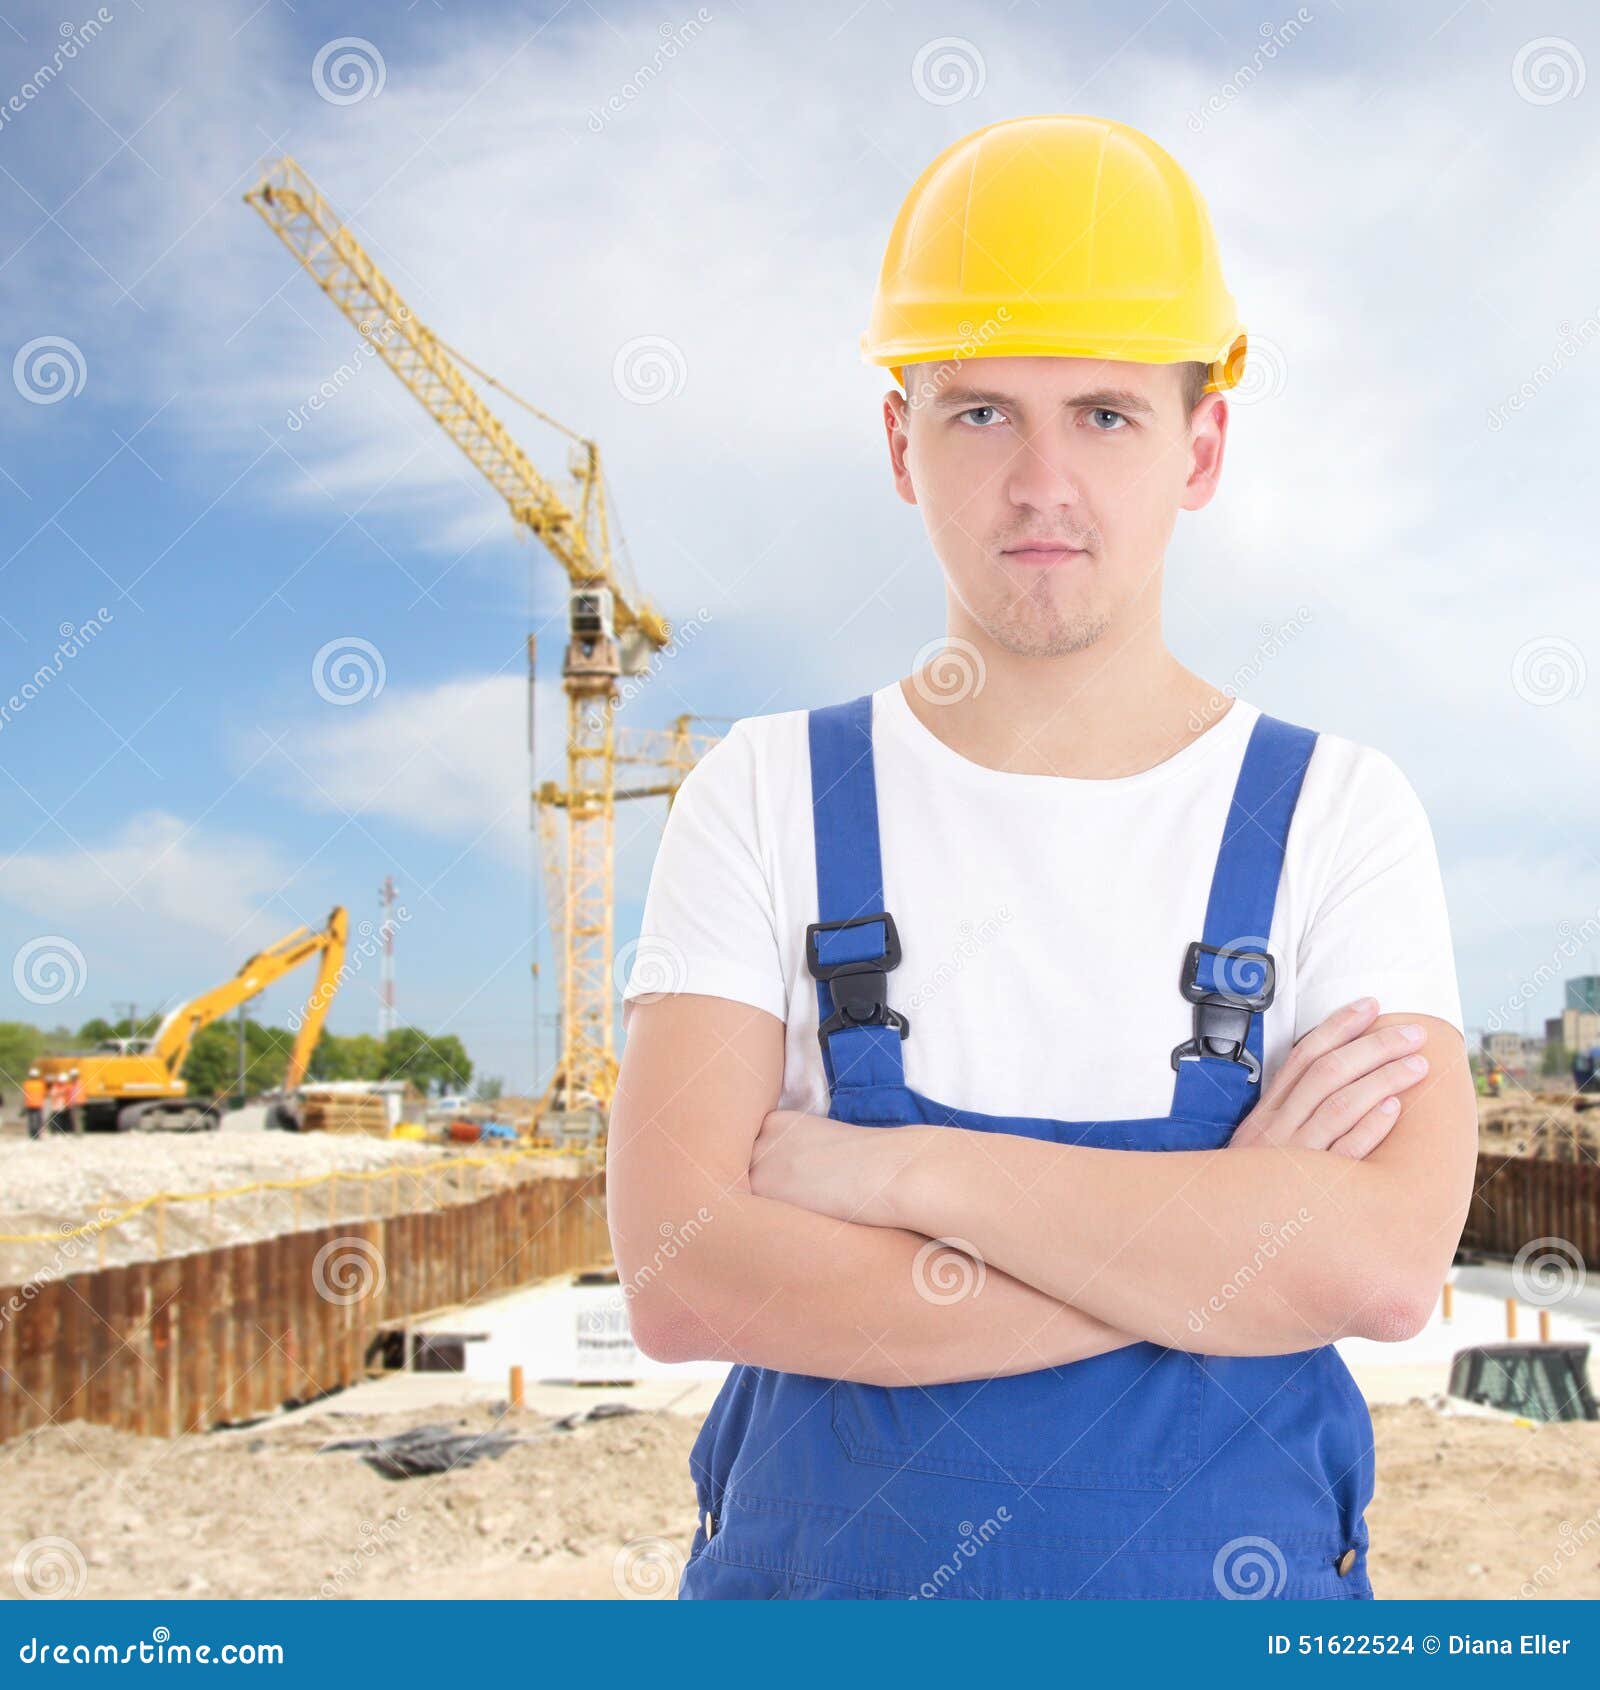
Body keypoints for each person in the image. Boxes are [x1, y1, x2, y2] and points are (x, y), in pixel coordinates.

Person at [608, 114, 1475, 1601]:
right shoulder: (759, 795)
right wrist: (1212, 1241)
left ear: (1202, 446)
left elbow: (1384, 1266)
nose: (1042, 483)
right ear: (901, 442)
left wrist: (899, 1174)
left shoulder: (1337, 811)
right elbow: (685, 1276)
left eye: (1107, 415)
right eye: (981, 414)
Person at [22, 1069, 45, 1141]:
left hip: (29, 1105)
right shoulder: (41, 1084)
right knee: (39, 1120)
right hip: (38, 1104)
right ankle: (37, 1135)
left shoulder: (26, 1084)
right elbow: (44, 1094)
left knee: (31, 1121)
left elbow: (24, 1095)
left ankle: (32, 1135)